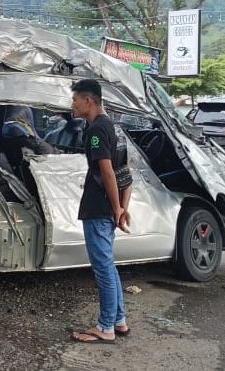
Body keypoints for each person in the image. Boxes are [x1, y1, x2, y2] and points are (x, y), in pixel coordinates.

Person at [69, 79, 131, 344]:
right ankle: (118, 320)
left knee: (103, 269)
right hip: (109, 208)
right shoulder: (113, 128)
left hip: (98, 207)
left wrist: (117, 207)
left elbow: (107, 171)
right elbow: (126, 173)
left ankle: (105, 326)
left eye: (75, 100)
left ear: (88, 101)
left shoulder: (96, 131)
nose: (72, 105)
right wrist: (121, 208)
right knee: (109, 266)